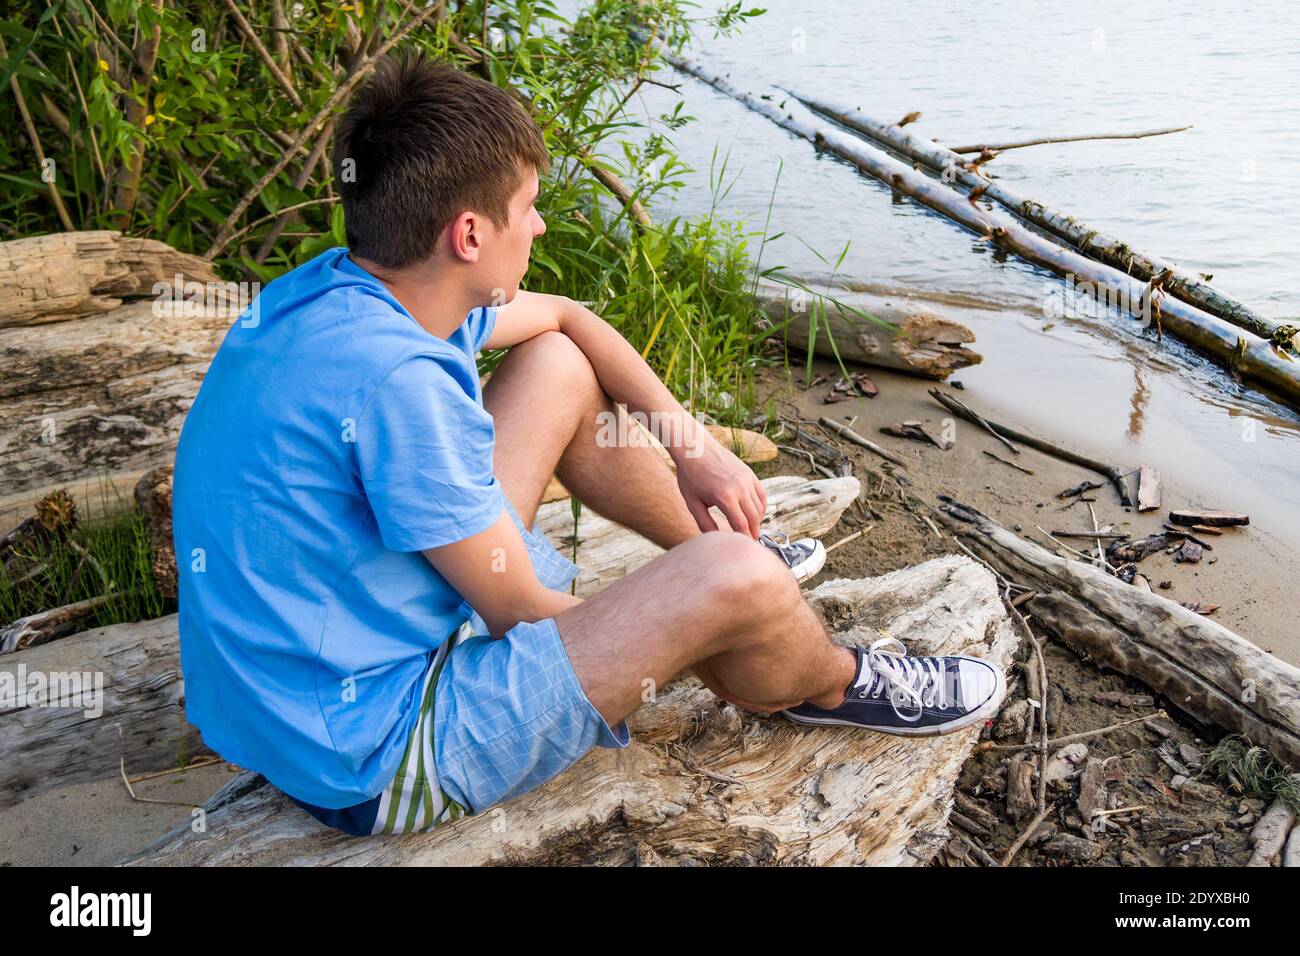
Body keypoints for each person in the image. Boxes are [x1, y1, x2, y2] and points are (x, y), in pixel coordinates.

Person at [171, 51, 1004, 837]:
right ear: (468, 235)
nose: (536, 226)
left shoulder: (350, 288)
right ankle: (829, 685)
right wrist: (695, 621)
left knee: (558, 366)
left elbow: (571, 319)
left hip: (305, 684)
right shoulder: (399, 388)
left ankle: (718, 552)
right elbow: (520, 612)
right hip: (373, 753)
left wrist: (692, 446)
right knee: (735, 581)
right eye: (526, 208)